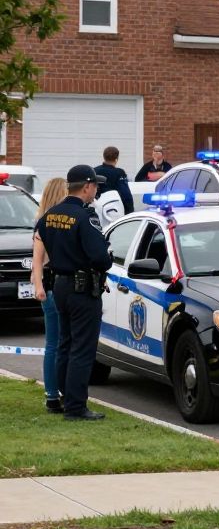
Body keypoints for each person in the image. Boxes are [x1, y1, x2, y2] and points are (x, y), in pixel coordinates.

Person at [32, 165, 112, 421]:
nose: (96, 190)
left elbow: (46, 245)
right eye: (95, 186)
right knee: (82, 348)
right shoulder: (85, 217)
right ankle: (76, 407)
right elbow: (100, 258)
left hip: (61, 286)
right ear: (87, 186)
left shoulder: (50, 215)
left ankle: (65, 397)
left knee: (65, 344)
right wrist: (106, 259)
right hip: (82, 289)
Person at [30, 178, 68, 413]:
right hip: (55, 287)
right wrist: (40, 286)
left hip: (49, 286)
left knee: (54, 343)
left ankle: (54, 394)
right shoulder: (50, 224)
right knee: (57, 343)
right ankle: (55, 394)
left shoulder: (41, 222)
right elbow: (38, 260)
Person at [95, 146, 134, 214]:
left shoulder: (94, 170)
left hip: (96, 207)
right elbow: (125, 194)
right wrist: (130, 211)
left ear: (104, 157)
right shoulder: (119, 173)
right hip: (114, 209)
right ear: (116, 159)